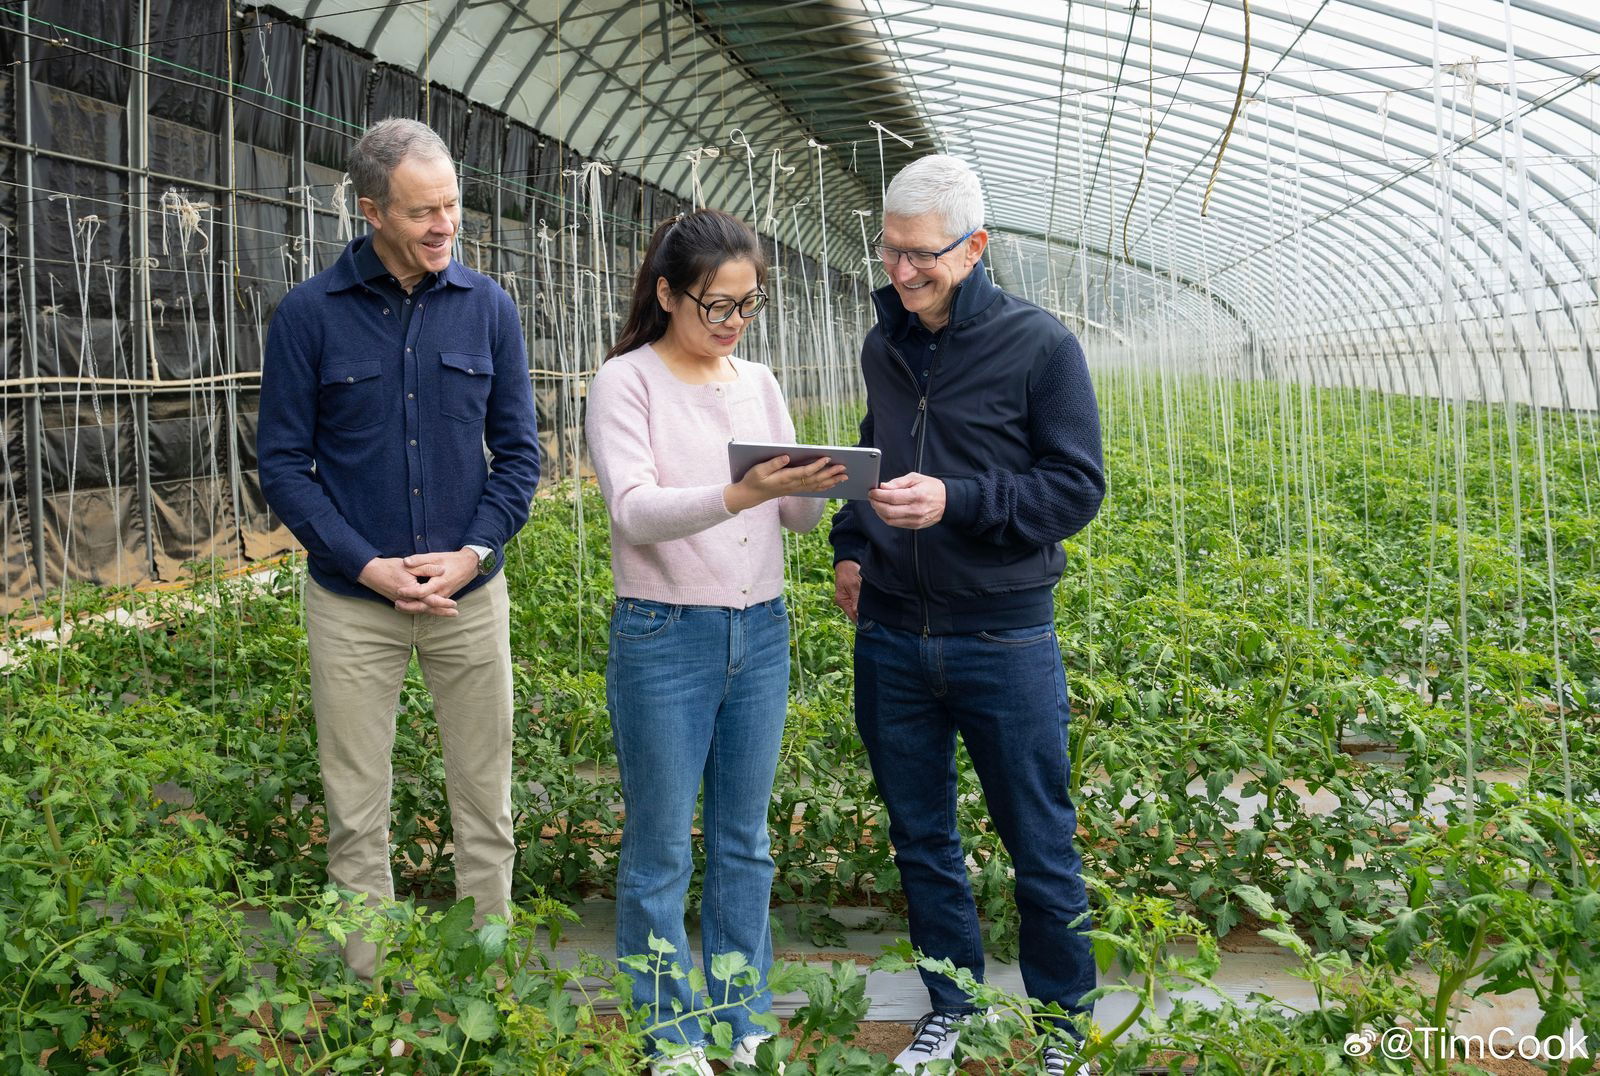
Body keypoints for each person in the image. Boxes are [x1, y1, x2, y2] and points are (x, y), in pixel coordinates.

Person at [828, 155, 1106, 1075]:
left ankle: (1063, 1025)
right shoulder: (883, 345)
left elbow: (1076, 488)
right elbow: (872, 451)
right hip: (892, 635)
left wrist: (959, 500)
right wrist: (851, 544)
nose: (902, 271)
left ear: (975, 246)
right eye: (890, 250)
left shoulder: (1041, 348)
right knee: (921, 838)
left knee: (1040, 840)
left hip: (1002, 635)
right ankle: (951, 1005)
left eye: (922, 254)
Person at [258, 118, 540, 983]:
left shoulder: (489, 308)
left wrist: (475, 551)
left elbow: (519, 456)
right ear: (371, 209)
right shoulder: (309, 315)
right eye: (422, 211)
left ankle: (487, 986)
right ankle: (367, 987)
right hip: (354, 606)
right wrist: (364, 563)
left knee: (485, 801)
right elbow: (283, 465)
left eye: (451, 205)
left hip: (467, 599)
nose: (443, 225)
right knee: (355, 810)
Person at [585, 208, 845, 1076]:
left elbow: (795, 519)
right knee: (660, 847)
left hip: (759, 629)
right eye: (716, 305)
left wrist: (816, 483)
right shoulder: (626, 381)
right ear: (667, 294)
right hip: (665, 633)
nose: (733, 322)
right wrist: (743, 491)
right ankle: (670, 1033)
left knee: (745, 842)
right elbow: (634, 511)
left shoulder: (758, 382)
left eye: (747, 304)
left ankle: (742, 1015)